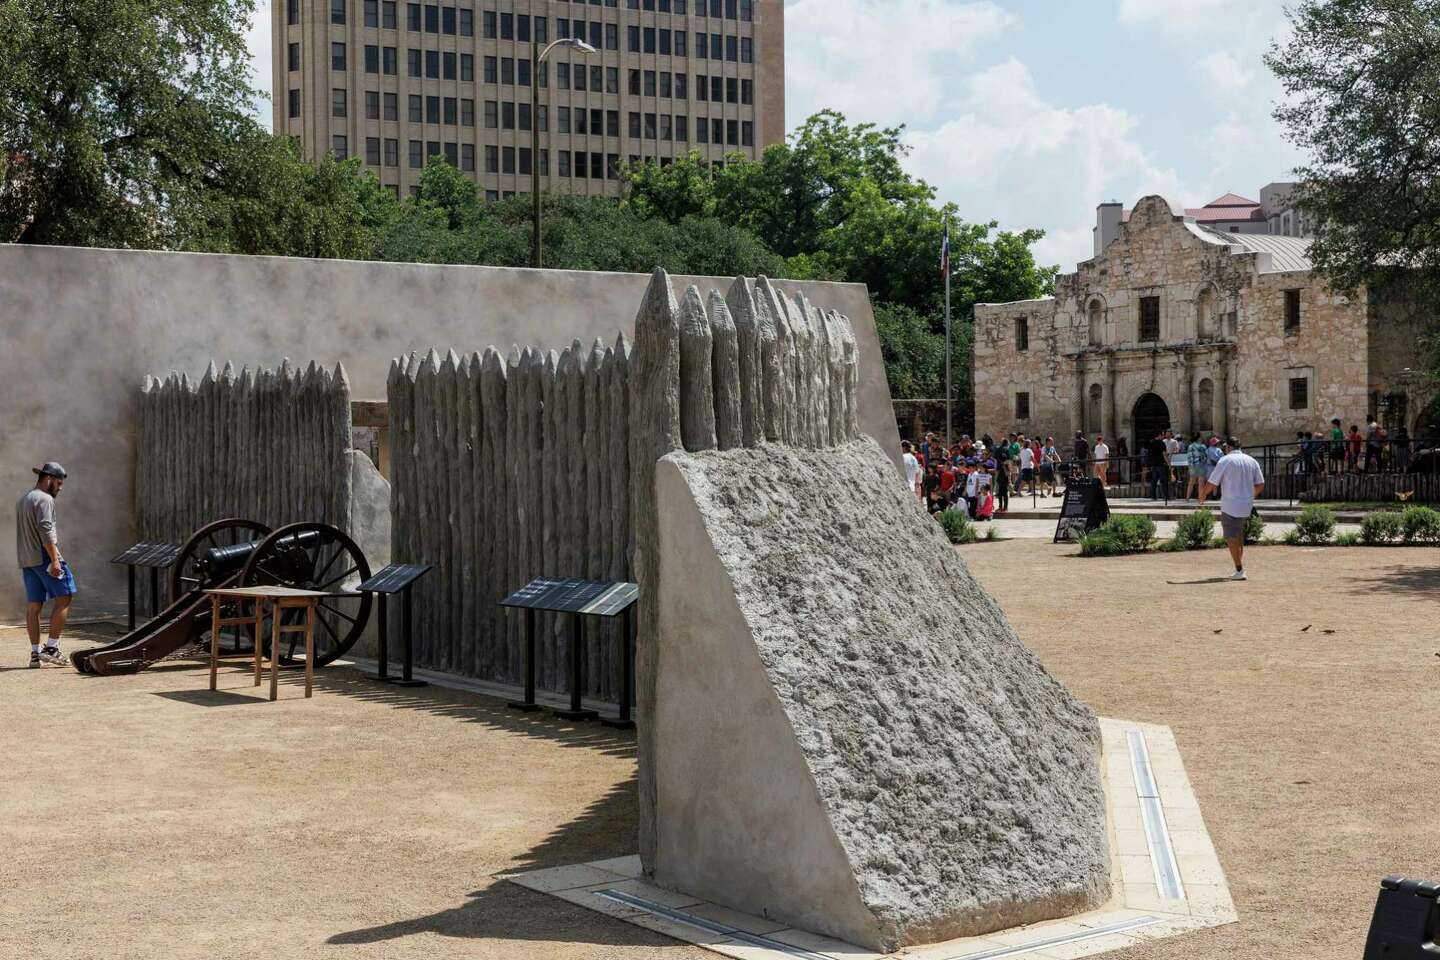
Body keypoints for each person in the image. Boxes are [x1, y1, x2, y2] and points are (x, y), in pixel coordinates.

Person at [17, 462, 75, 667]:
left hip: (27, 559)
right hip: (44, 557)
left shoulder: (25, 498)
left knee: (34, 605)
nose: (60, 488)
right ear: (48, 479)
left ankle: (35, 654)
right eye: (58, 483)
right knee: (65, 597)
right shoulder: (44, 498)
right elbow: (45, 530)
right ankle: (51, 648)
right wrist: (55, 560)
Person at [1201, 438, 1265, 581]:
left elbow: (1212, 482)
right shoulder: (1251, 460)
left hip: (1230, 504)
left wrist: (1203, 494)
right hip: (1246, 505)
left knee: (1231, 536)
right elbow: (1260, 484)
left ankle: (1239, 569)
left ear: (1228, 447)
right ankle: (1238, 567)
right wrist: (1249, 496)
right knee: (1238, 534)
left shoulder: (1225, 460)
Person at [1185, 432, 1210, 501]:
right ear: (1199, 438)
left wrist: (1189, 466)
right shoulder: (1203, 446)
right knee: (1201, 482)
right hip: (1201, 465)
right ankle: (1200, 497)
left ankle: (1187, 497)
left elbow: (1188, 457)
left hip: (1192, 465)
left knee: (1191, 482)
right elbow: (1205, 457)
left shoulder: (1190, 446)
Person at [1146, 431, 1169, 500]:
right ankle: (1165, 496)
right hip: (1160, 464)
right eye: (1163, 435)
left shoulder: (1151, 443)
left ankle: (1153, 496)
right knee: (1164, 480)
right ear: (1159, 435)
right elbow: (1164, 454)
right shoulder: (1161, 443)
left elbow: (1149, 453)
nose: (1163, 436)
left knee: (1154, 481)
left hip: (1153, 464)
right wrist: (1168, 463)